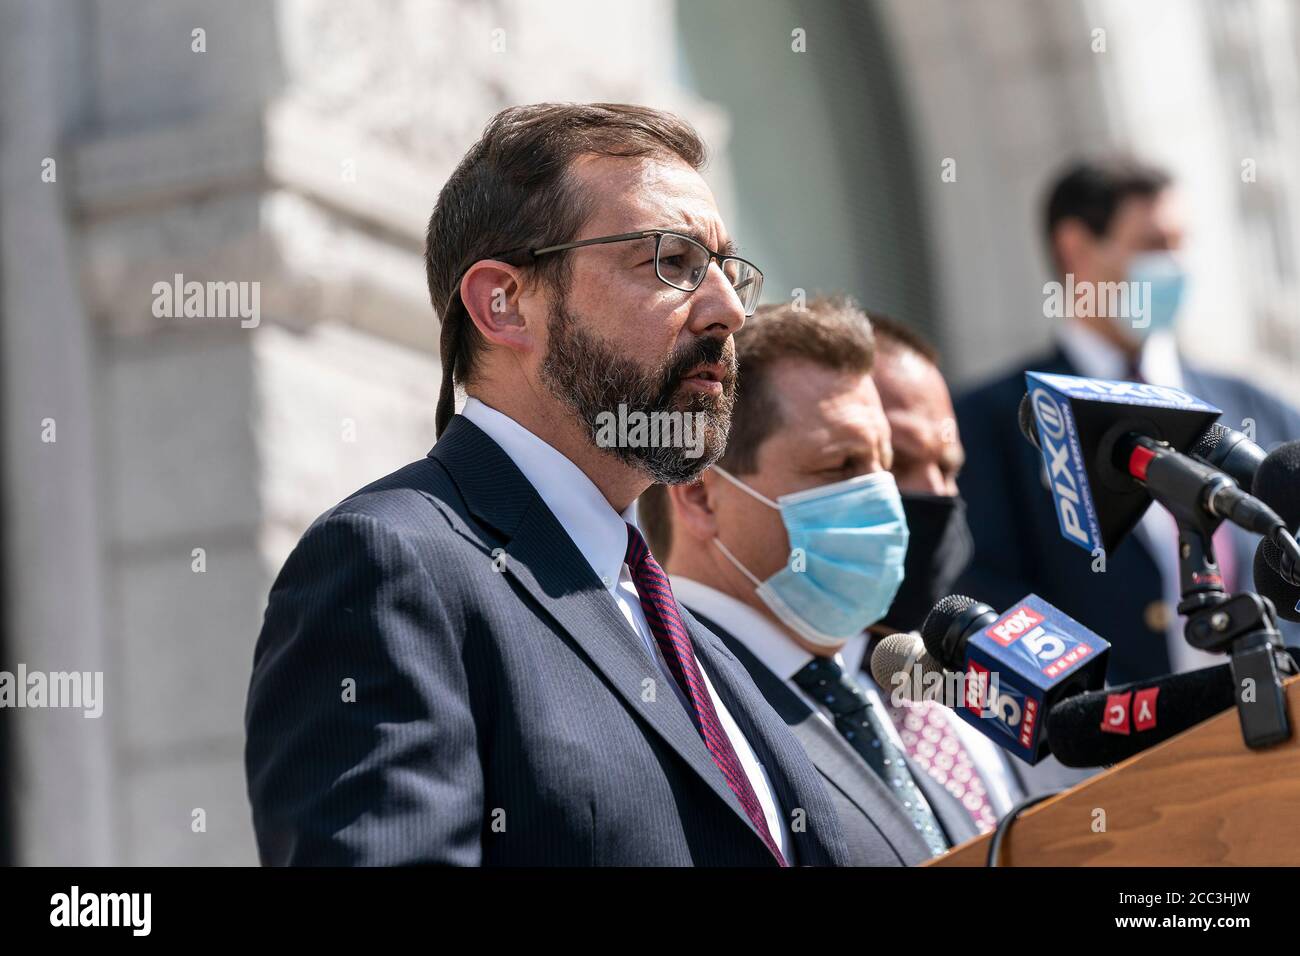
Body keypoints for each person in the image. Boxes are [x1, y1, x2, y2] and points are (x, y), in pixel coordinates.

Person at [243, 102, 868, 866]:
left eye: (727, 269)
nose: (729, 310)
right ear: (502, 305)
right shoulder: (390, 566)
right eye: (671, 261)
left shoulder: (687, 639)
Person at [638, 297, 1025, 861]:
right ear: (700, 494)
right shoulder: (668, 700)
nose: (887, 499)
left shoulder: (882, 686)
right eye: (840, 467)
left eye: (882, 464)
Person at [956, 157, 1300, 686]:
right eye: (1152, 244)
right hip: (1114, 749)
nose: (1176, 265)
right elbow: (986, 591)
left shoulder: (1258, 406)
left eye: (1180, 242)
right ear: (1075, 249)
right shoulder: (995, 422)